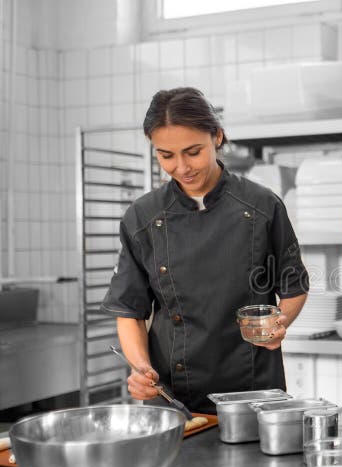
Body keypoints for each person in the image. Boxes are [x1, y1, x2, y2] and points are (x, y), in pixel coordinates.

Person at [102, 87, 308, 414]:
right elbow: (130, 309)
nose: (182, 167)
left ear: (217, 136)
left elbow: (294, 287)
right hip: (173, 395)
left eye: (193, 151)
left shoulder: (261, 205)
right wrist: (141, 367)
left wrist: (280, 322)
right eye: (166, 155)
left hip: (252, 391)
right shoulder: (142, 217)